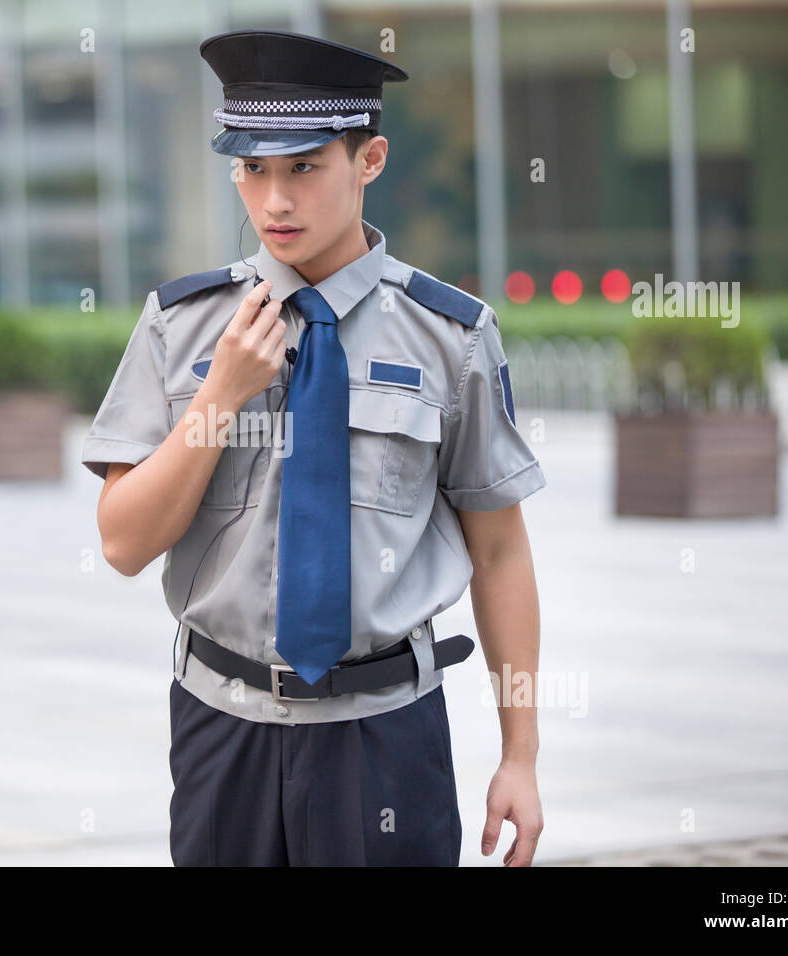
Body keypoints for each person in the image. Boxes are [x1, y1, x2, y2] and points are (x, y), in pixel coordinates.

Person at [80, 29, 547, 866]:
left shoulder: (453, 338)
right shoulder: (181, 325)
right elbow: (122, 542)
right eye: (253, 170)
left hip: (384, 737)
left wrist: (521, 755)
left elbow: (503, 550)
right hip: (222, 727)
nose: (275, 202)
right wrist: (220, 395)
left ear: (369, 159)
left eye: (303, 167)